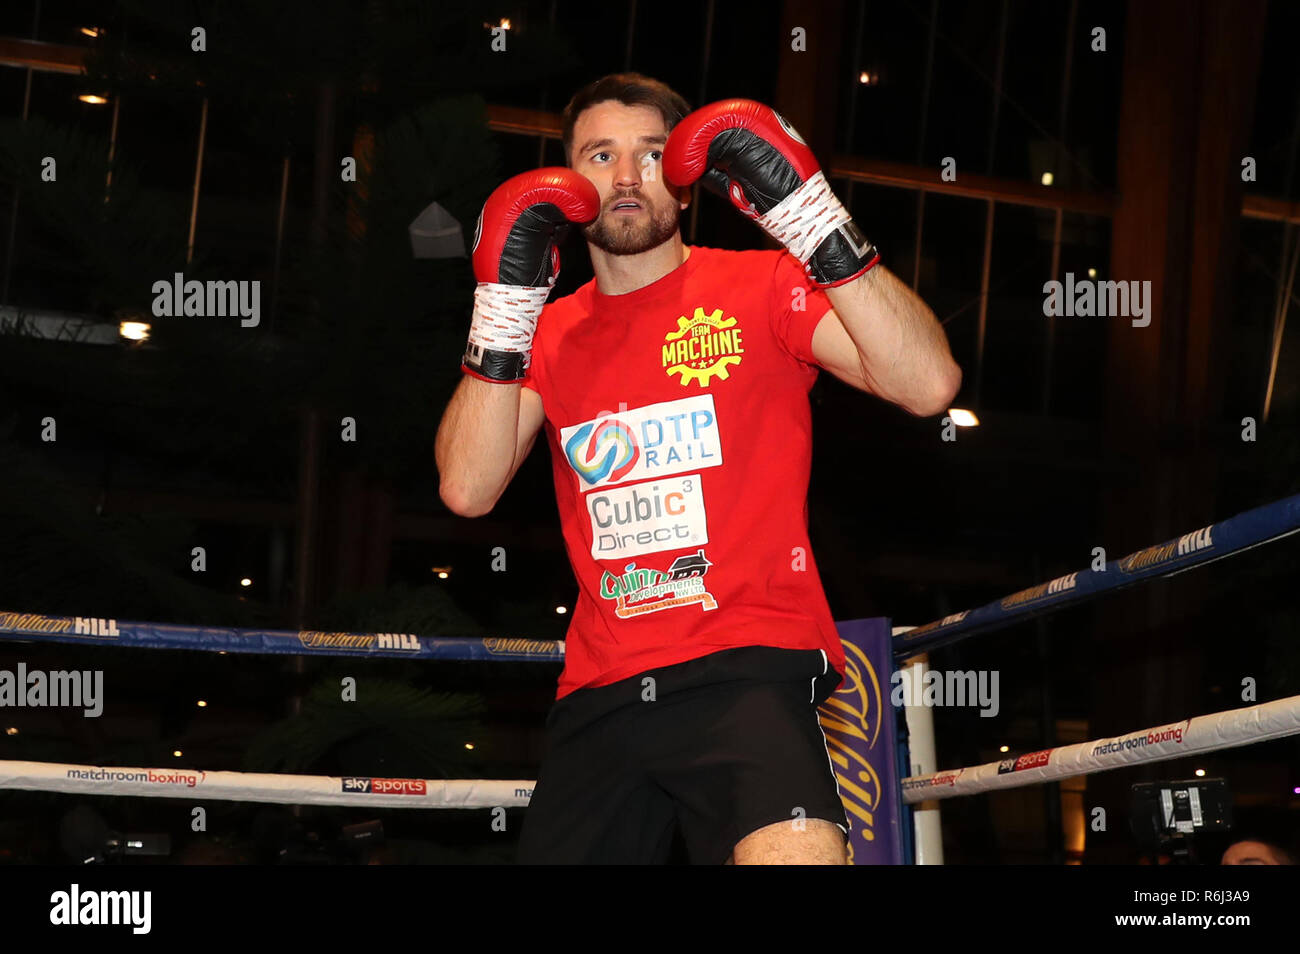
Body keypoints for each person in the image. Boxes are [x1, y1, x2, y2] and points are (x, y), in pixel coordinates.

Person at [436, 73, 960, 864]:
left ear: (684, 184)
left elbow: (928, 384)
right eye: (599, 155)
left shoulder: (762, 286)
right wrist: (502, 310)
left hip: (747, 669)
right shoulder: (546, 335)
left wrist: (812, 220)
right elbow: (467, 489)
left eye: (650, 155)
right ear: (567, 183)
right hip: (601, 689)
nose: (623, 176)